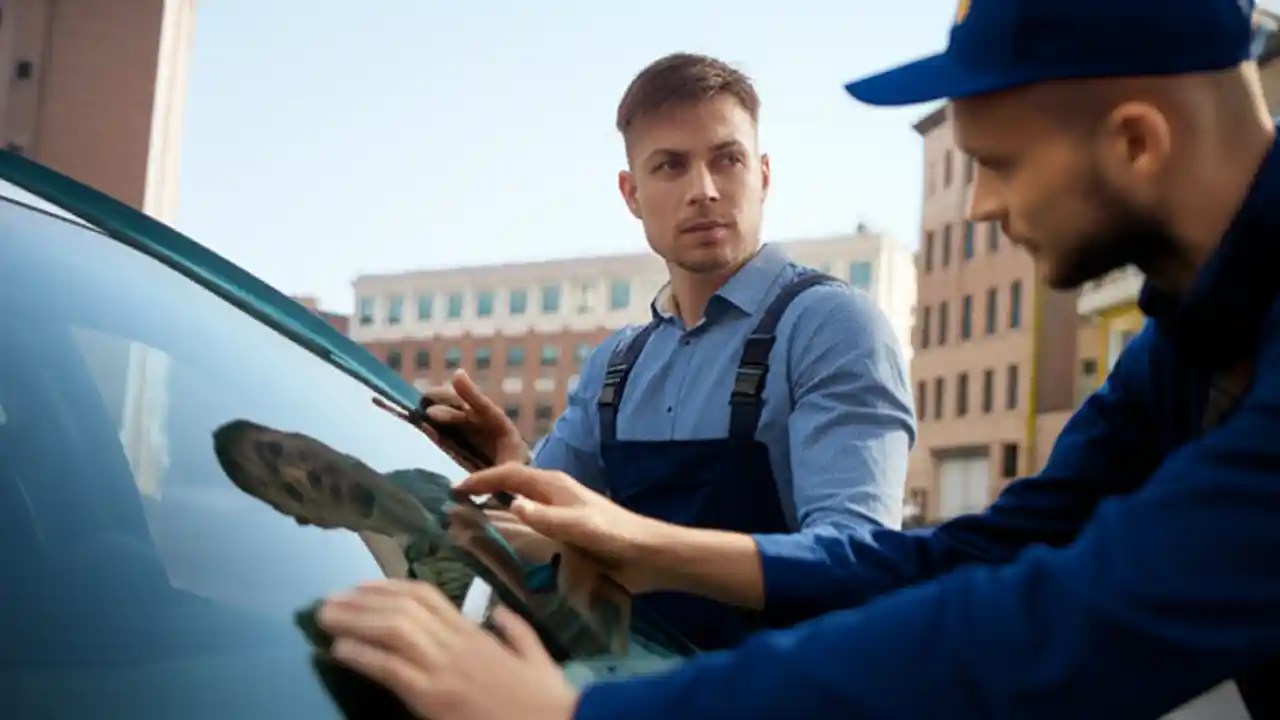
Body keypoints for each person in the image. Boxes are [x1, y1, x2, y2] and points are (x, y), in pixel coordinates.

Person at [314, 0, 1280, 717]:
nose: (979, 205)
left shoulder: (830, 326)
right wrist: (629, 538)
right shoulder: (1179, 352)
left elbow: (1058, 625)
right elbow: (972, 557)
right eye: (668, 166)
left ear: (1137, 142)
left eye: (1001, 162)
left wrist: (580, 716)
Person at [415, 52, 917, 650]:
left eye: (726, 160)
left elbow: (855, 561)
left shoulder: (831, 326)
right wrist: (507, 459)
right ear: (631, 192)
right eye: (670, 166)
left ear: (763, 175)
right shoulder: (616, 366)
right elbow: (539, 532)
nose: (703, 191)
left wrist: (635, 544)